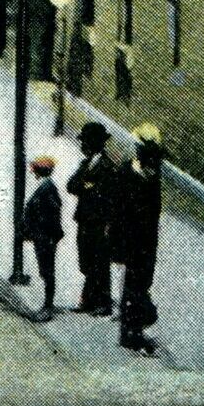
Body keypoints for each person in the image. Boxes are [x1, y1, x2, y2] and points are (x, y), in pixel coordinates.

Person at [116, 123, 163, 355]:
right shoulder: (146, 179)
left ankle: (130, 329)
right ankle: (134, 329)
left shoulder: (131, 172)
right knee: (138, 285)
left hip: (137, 239)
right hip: (141, 240)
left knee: (134, 284)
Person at [66, 120, 116, 316]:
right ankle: (90, 299)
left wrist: (88, 187)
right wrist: (87, 185)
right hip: (85, 220)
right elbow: (71, 186)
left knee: (100, 262)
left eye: (85, 141)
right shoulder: (85, 164)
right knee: (86, 261)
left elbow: (109, 197)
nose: (82, 145)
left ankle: (102, 302)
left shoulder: (107, 167)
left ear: (94, 143)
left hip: (100, 222)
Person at [22, 155, 65, 321]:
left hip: (45, 236)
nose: (33, 173)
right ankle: (47, 304)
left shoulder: (47, 188)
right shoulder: (46, 186)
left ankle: (48, 306)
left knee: (47, 270)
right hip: (42, 235)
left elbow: (52, 212)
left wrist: (44, 231)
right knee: (45, 269)